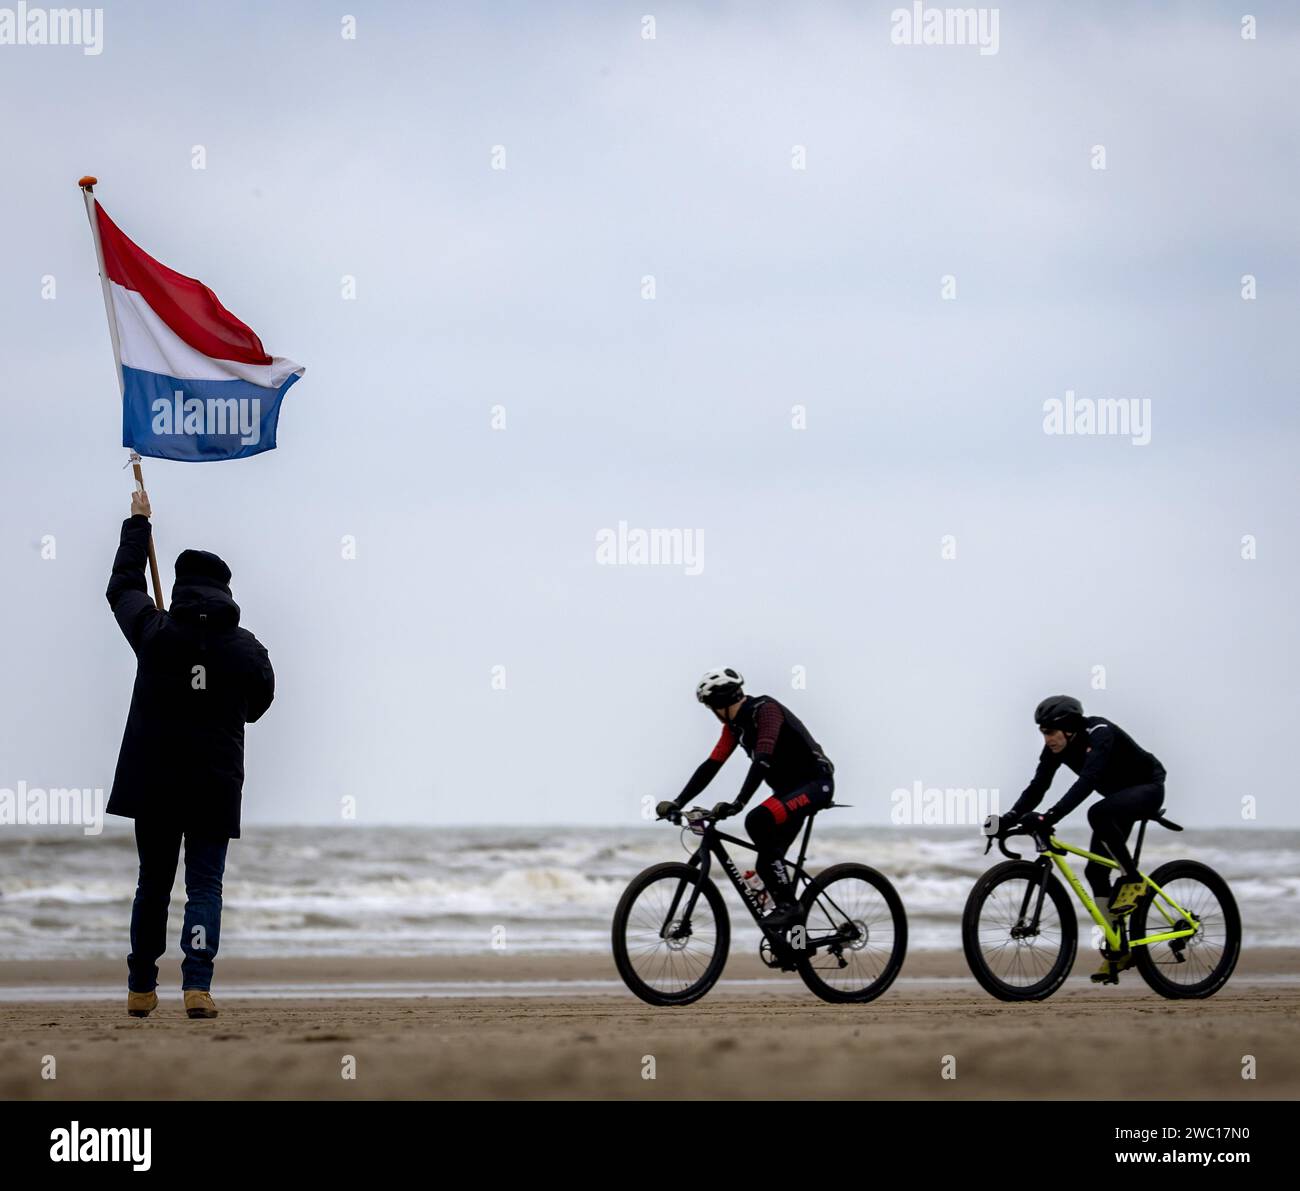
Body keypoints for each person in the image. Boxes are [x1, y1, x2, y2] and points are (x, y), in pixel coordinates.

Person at [106, 489, 275, 1019]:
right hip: (213, 785)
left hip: (155, 783)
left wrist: (138, 526)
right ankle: (197, 987)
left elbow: (121, 589)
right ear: (225, 591)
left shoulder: (155, 632)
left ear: (179, 588)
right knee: (204, 886)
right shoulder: (247, 648)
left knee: (152, 884)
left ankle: (140, 987)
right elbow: (260, 702)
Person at [1003, 695, 1166, 978]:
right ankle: (1120, 948)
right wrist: (1009, 817)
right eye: (1042, 732)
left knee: (1097, 813)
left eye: (1050, 732)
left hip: (1147, 787)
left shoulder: (1100, 733)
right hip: (1117, 802)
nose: (1047, 739)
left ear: (1068, 727)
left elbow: (1088, 781)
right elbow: (1038, 786)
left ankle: (1133, 879)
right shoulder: (1055, 749)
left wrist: (1050, 817)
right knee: (1095, 872)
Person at [656, 668, 834, 927]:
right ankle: (794, 939)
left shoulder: (766, 710)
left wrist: (739, 803)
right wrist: (678, 802)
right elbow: (711, 765)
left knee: (757, 820)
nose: (712, 714)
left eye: (710, 707)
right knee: (767, 863)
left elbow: (762, 760)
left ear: (721, 703)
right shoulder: (734, 727)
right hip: (788, 792)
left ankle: (789, 907)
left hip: (815, 784)